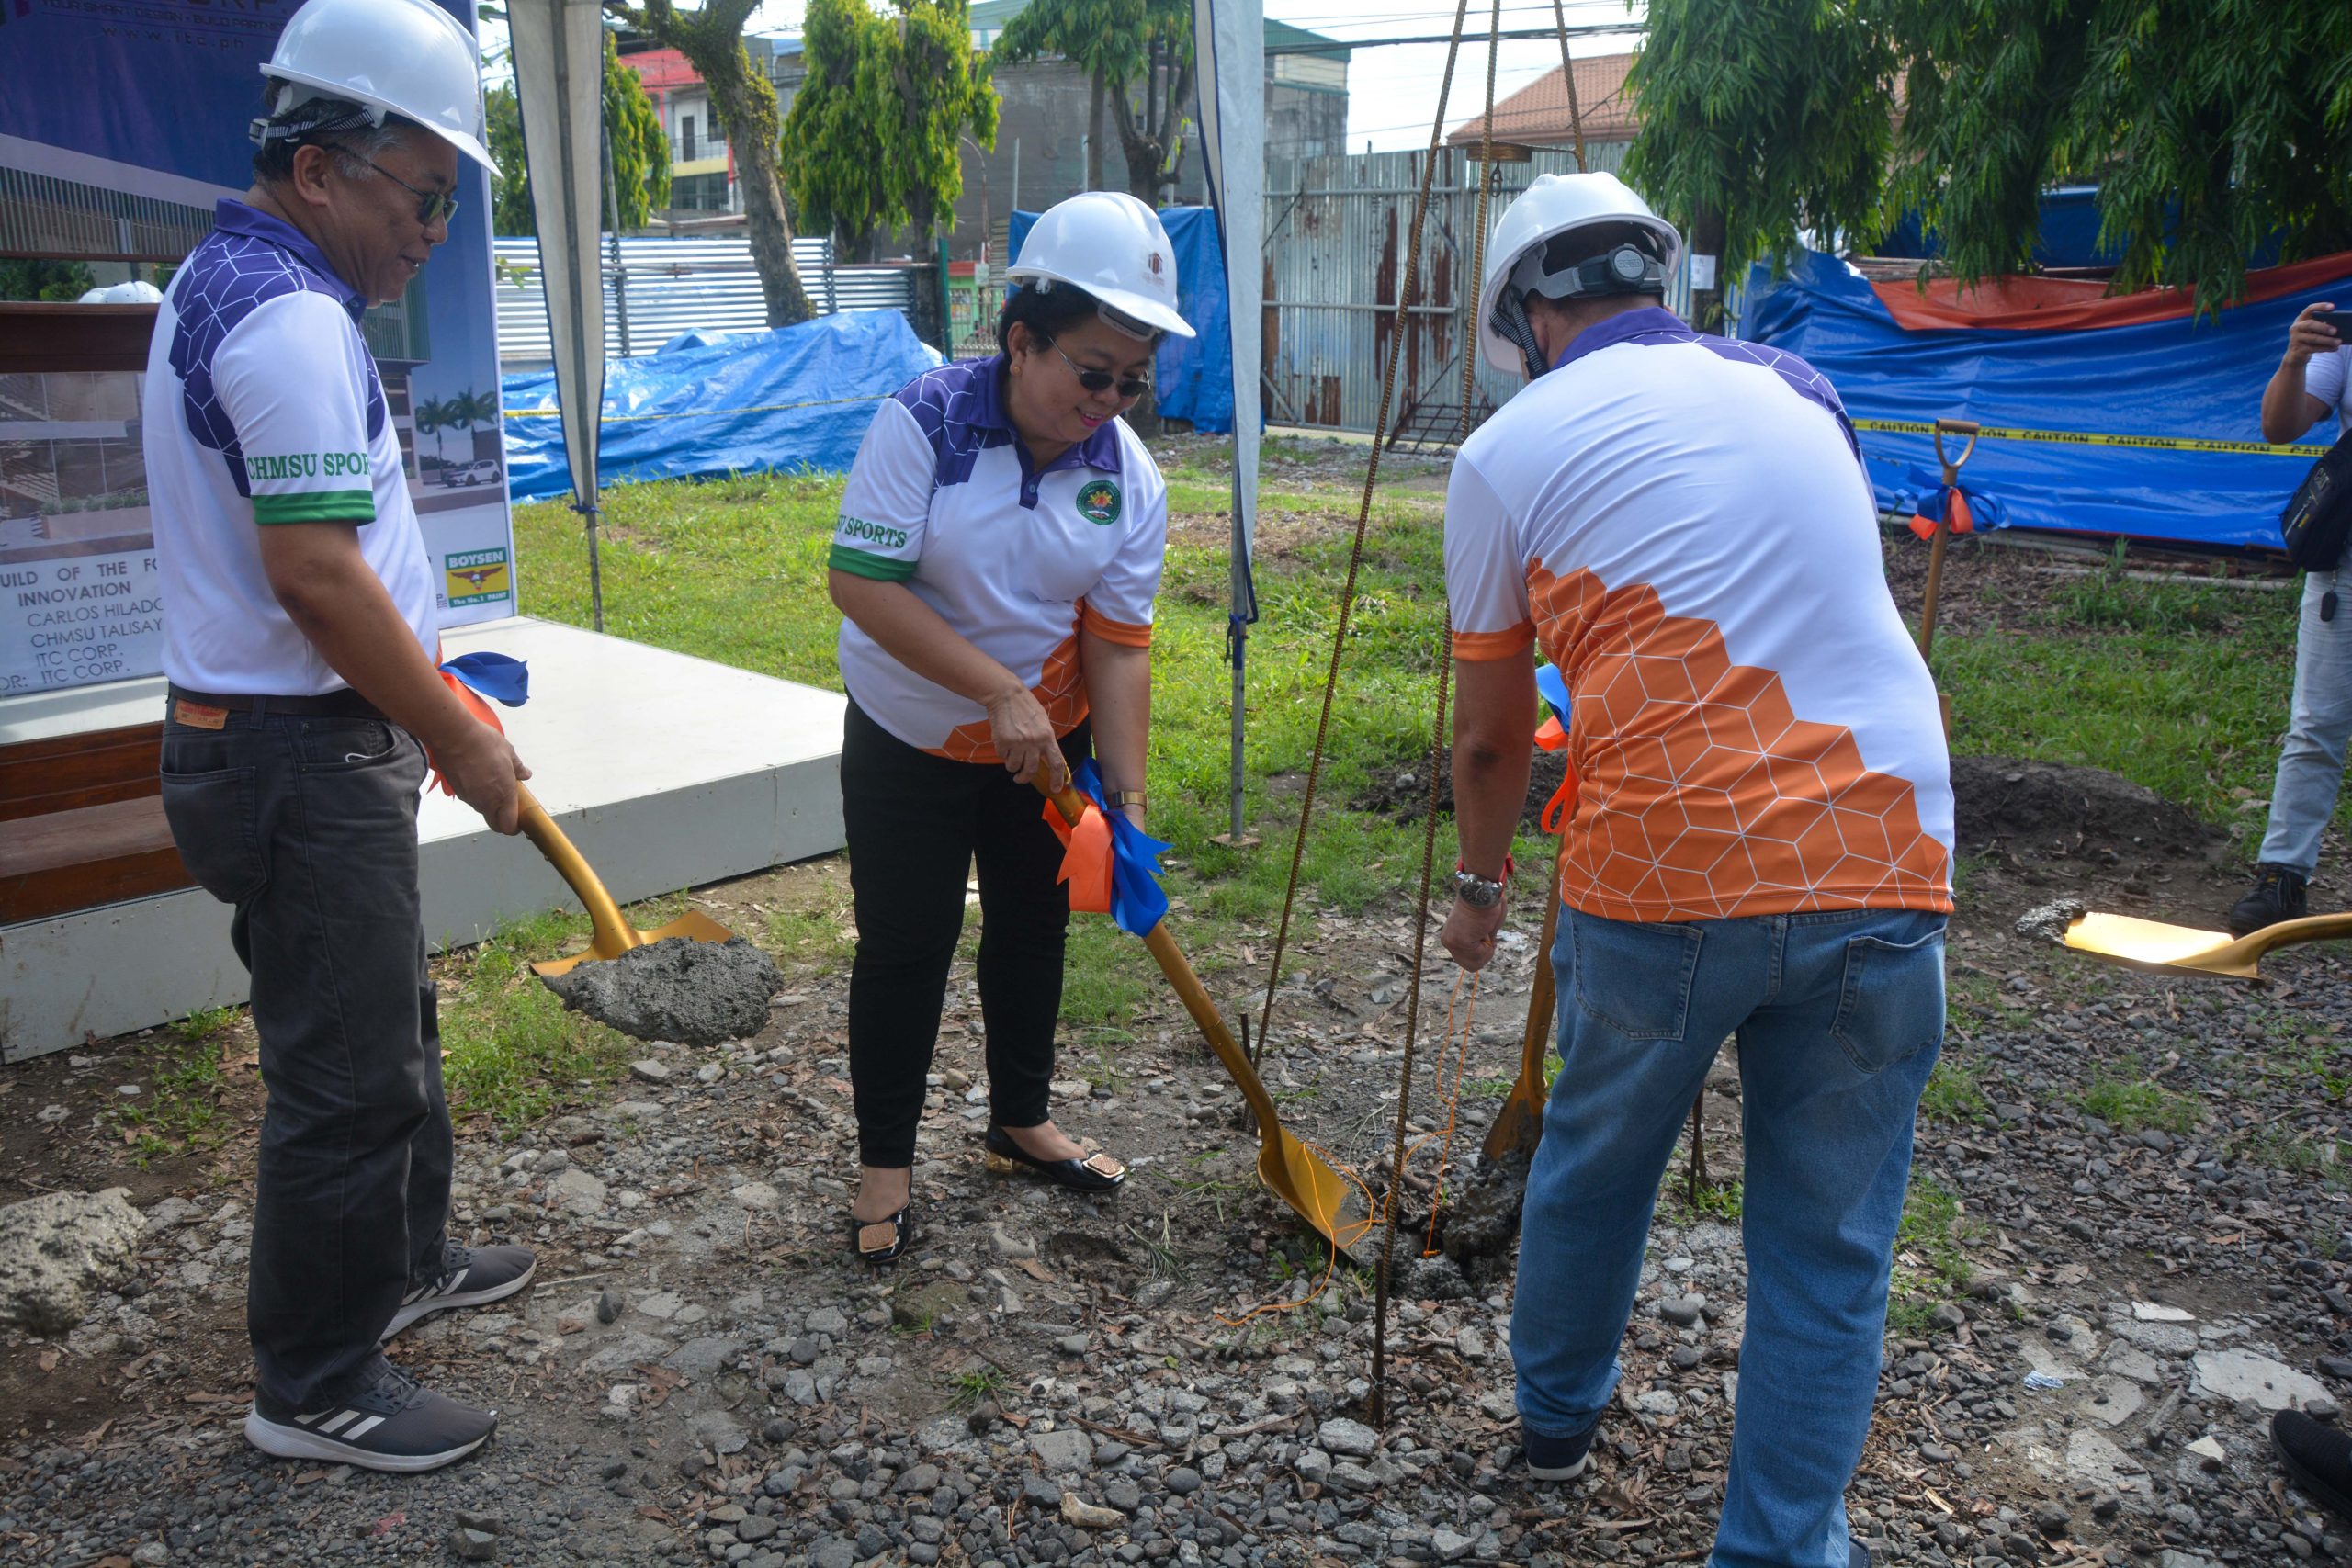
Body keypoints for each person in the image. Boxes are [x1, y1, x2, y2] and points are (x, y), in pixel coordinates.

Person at [1438, 172, 1954, 1568]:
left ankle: (1556, 1420)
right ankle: (1783, 1546)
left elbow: (1492, 740)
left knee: (1596, 1167)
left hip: (1666, 862)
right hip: (1888, 834)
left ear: (1527, 317)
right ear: (1658, 284)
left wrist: (1480, 891)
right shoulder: (1799, 385)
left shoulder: (1504, 451)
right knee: (1832, 1239)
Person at [143, 0, 535, 1473]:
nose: (436, 226)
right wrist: (455, 728)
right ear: (320, 169)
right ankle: (311, 1377)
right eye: (423, 193)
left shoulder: (234, 279)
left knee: (389, 1020)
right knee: (349, 1070)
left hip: (304, 738)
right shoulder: (290, 317)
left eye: (449, 197)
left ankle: (408, 1250)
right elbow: (314, 574)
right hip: (294, 753)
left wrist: (422, 705)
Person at [825, 192, 1191, 1262]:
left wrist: (1122, 796)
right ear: (1022, 339)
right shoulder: (926, 421)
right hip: (910, 732)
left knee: (1033, 925)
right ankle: (883, 1164)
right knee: (906, 942)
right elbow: (862, 582)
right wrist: (992, 687)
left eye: (1133, 379)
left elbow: (1121, 641)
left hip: (1048, 741)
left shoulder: (1129, 477)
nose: (1112, 399)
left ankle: (1019, 1121)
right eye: (1093, 372)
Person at [2233, 301, 2350, 935]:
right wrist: (2294, 360)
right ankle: (2283, 875)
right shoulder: (2346, 345)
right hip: (2346, 562)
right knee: (2316, 723)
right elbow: (2280, 425)